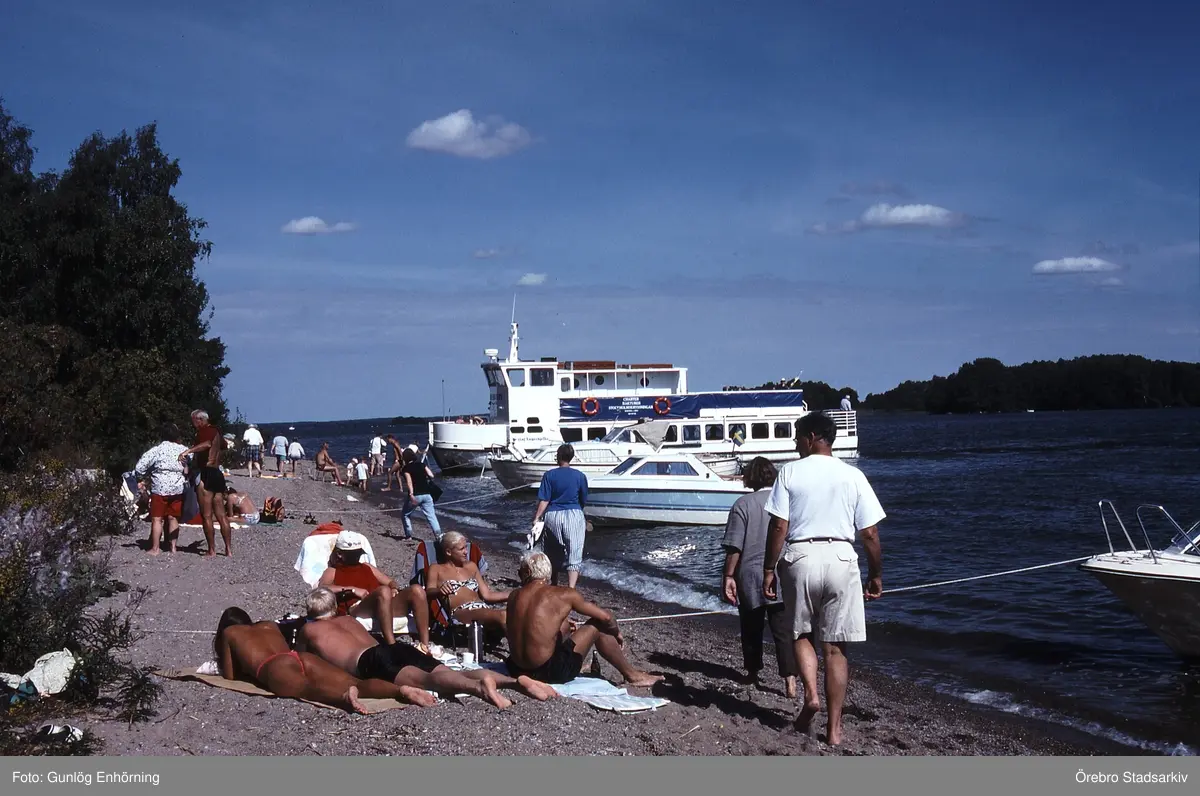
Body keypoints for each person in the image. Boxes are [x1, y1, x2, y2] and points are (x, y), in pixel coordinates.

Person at [762, 412, 885, 746]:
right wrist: (876, 575)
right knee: (835, 648)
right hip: (841, 557)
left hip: (801, 556)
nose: (794, 442)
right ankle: (834, 730)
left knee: (801, 632)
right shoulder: (852, 475)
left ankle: (811, 696)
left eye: (797, 436)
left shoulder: (790, 471)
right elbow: (870, 533)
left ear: (811, 436)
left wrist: (768, 568)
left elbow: (779, 526)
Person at [298, 588, 557, 709]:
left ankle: (479, 689)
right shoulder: (349, 619)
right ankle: (514, 682)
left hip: (371, 661)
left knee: (431, 680)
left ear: (311, 612)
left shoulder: (309, 630)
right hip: (395, 647)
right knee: (449, 672)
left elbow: (302, 658)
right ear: (333, 608)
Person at [213, 607, 436, 713]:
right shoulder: (268, 624)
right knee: (354, 682)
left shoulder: (230, 634)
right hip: (298, 656)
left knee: (307, 688)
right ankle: (400, 691)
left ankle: (341, 698)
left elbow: (230, 675)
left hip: (272, 666)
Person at [505, 552, 663, 686]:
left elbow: (536, 628)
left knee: (565, 627)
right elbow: (606, 617)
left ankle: (581, 663)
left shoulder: (514, 596)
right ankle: (632, 675)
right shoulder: (563, 594)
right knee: (598, 624)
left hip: (517, 670)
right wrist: (616, 633)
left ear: (526, 573)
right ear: (547, 572)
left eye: (520, 572)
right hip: (549, 673)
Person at [721, 457, 798, 697]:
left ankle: (753, 673)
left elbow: (735, 546)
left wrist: (728, 575)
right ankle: (790, 680)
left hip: (750, 573)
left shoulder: (742, 504)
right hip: (780, 571)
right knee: (783, 630)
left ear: (750, 478)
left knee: (751, 627)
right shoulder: (786, 502)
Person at [316, 531, 431, 651]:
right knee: (383, 591)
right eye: (353, 554)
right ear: (340, 554)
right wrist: (353, 590)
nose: (357, 556)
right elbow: (322, 588)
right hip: (357, 608)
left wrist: (394, 589)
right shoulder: (332, 571)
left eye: (358, 553)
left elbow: (390, 582)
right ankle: (392, 646)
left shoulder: (367, 567)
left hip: (382, 602)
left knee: (417, 590)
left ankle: (425, 645)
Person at [426, 531, 509, 634]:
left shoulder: (471, 566)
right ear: (448, 552)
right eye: (462, 549)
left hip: (482, 608)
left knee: (516, 612)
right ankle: (517, 649)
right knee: (504, 615)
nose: (466, 552)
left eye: (466, 547)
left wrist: (514, 594)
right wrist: (439, 590)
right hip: (461, 612)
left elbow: (487, 595)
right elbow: (428, 592)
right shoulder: (436, 569)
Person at [530, 444, 589, 589]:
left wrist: (537, 517)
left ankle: (554, 583)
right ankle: (571, 588)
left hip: (553, 514)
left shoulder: (549, 475)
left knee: (552, 550)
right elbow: (583, 499)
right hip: (574, 513)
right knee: (574, 551)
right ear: (571, 457)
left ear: (558, 456)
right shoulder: (580, 476)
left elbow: (545, 500)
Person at [178, 409, 233, 558]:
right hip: (217, 473)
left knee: (207, 515)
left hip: (206, 473)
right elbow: (223, 446)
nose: (193, 425)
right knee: (221, 515)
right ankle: (228, 550)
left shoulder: (204, 431)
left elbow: (207, 444)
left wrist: (188, 451)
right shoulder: (217, 431)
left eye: (194, 422)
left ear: (200, 420)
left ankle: (212, 550)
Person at [134, 423, 189, 555]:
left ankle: (155, 548)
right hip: (178, 487)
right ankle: (173, 547)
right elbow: (190, 465)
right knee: (173, 518)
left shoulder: (157, 450)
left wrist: (143, 477)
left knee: (157, 519)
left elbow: (139, 467)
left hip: (160, 487)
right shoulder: (183, 449)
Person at [401, 447, 441, 540]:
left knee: (405, 514)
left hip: (416, 495)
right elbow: (431, 475)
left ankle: (408, 535)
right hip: (427, 494)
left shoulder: (406, 468)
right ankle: (439, 536)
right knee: (431, 516)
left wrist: (411, 494)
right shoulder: (422, 464)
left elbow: (409, 482)